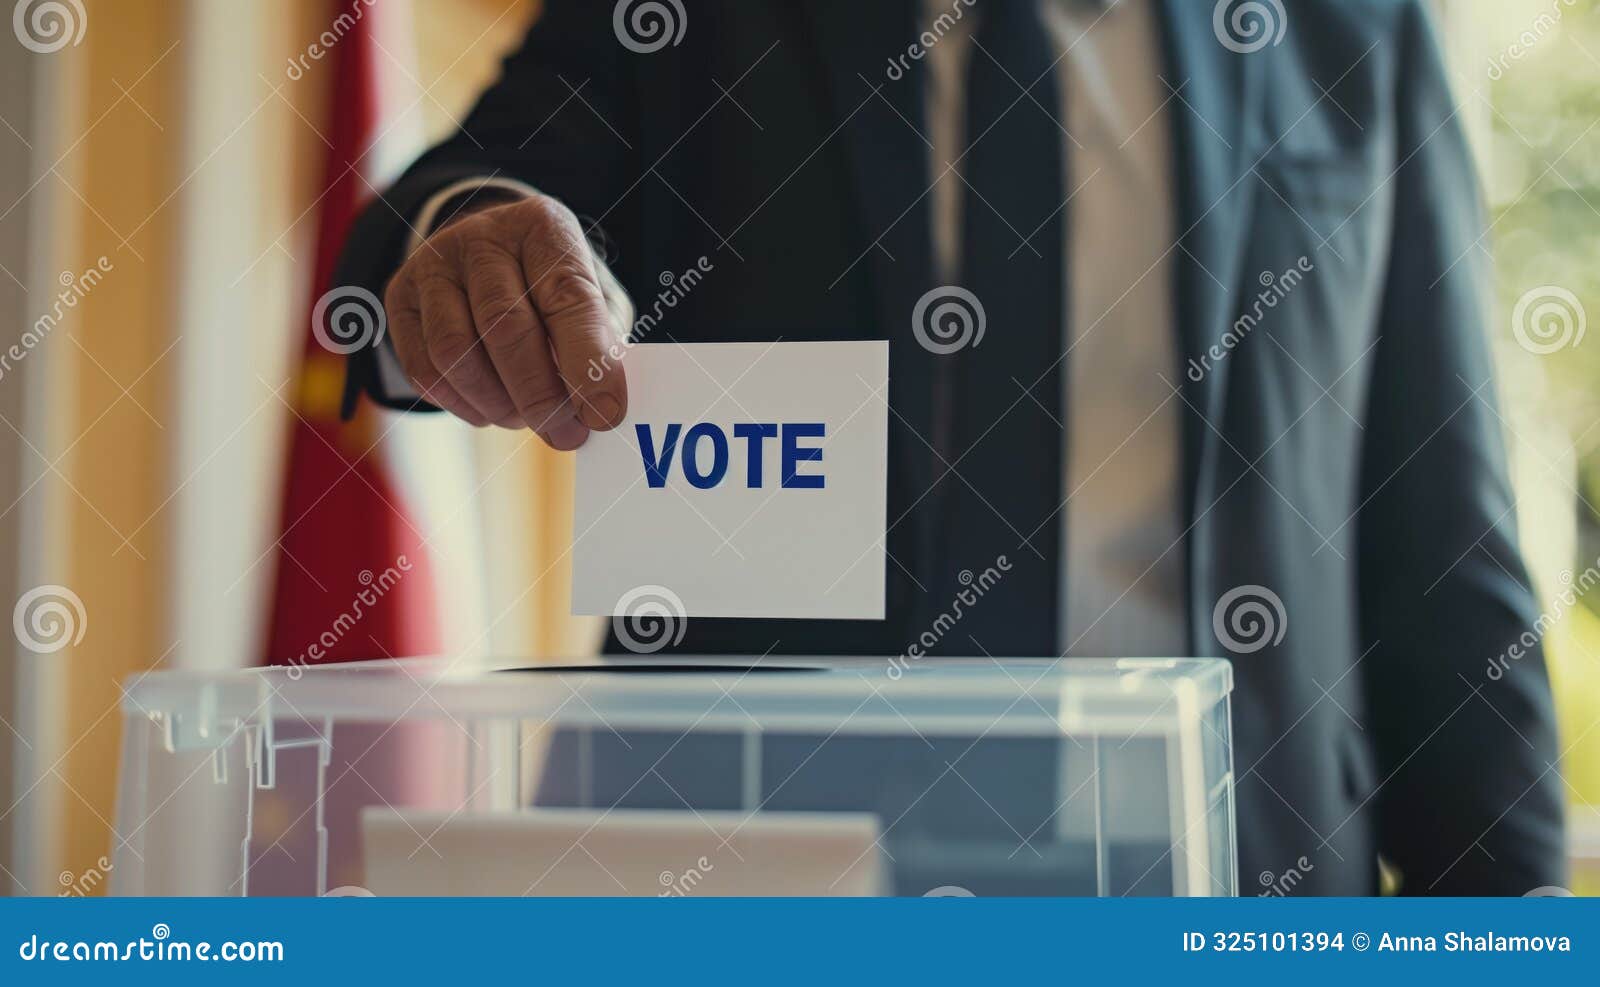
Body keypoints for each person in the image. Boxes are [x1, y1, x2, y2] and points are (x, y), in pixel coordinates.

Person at [336, 0, 1566, 895]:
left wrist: (1512, 917)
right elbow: (455, 200)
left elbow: (1437, 522)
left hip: (1229, 880)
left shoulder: (1357, 29)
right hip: (746, 880)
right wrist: (475, 243)